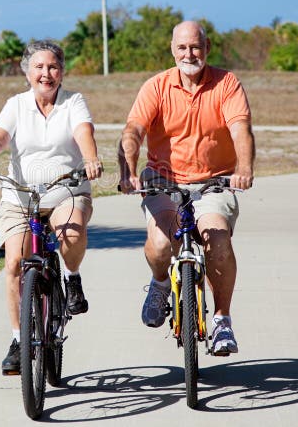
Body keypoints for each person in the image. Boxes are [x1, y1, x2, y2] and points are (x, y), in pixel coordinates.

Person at [117, 20, 255, 356]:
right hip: (163, 181)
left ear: (207, 48)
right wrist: (127, 172)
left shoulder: (226, 83)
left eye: (195, 47)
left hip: (213, 182)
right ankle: (160, 282)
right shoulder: (157, 86)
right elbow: (133, 132)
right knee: (161, 244)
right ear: (172, 49)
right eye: (182, 47)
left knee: (218, 242)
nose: (189, 54)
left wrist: (244, 169)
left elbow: (241, 129)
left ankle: (222, 320)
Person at [0, 39, 103, 375]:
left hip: (66, 190)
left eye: (53, 67)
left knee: (71, 235)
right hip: (20, 196)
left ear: (62, 72)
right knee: (15, 262)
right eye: (39, 67)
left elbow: (83, 131)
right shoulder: (16, 105)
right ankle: (18, 340)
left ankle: (71, 278)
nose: (46, 73)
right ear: (26, 72)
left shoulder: (73, 102)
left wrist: (90, 158)